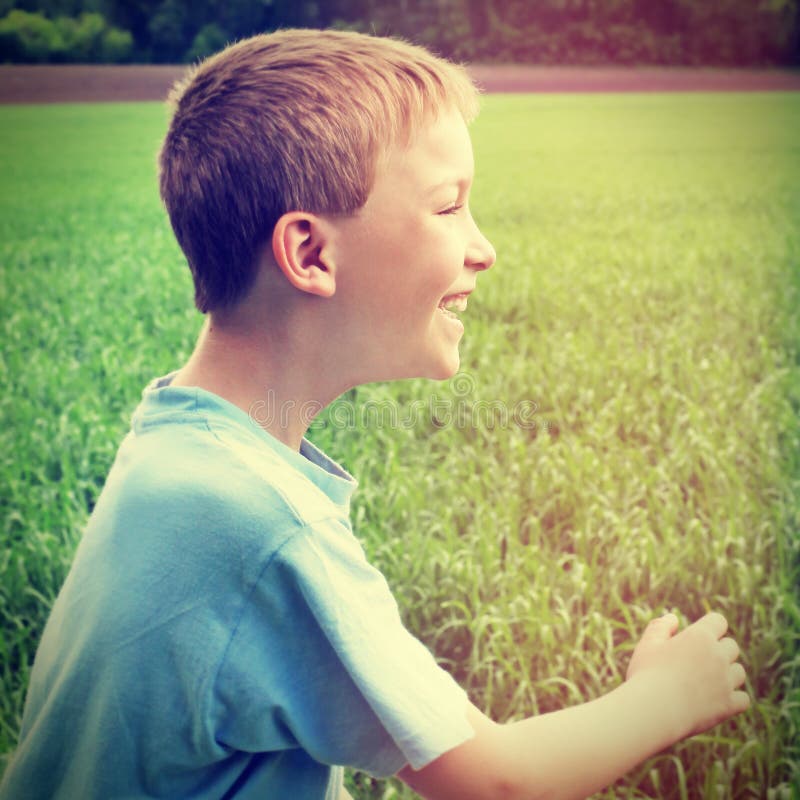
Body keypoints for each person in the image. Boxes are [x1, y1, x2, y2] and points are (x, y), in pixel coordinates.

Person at [0, 29, 749, 800]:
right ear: (311, 255)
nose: (483, 247)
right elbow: (499, 784)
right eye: (449, 206)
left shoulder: (175, 446)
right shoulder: (262, 527)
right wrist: (664, 698)